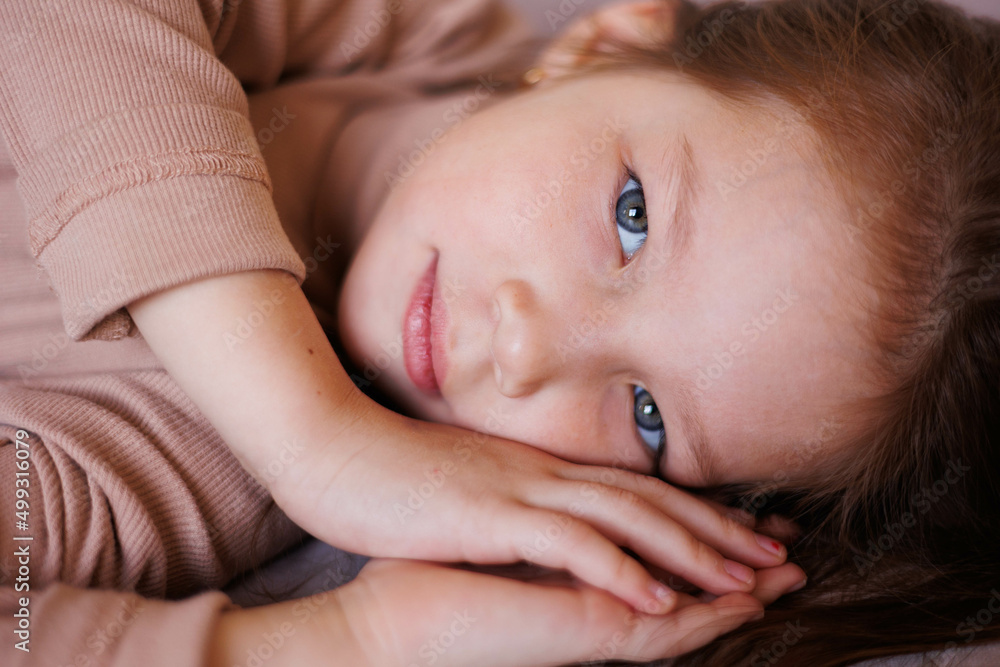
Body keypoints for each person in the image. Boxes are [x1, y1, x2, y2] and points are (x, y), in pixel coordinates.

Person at [0, 0, 996, 664]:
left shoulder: (157, 473)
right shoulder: (426, 33)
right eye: (631, 216)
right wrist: (312, 436)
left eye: (646, 415)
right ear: (599, 47)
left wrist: (355, 635)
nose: (527, 349)